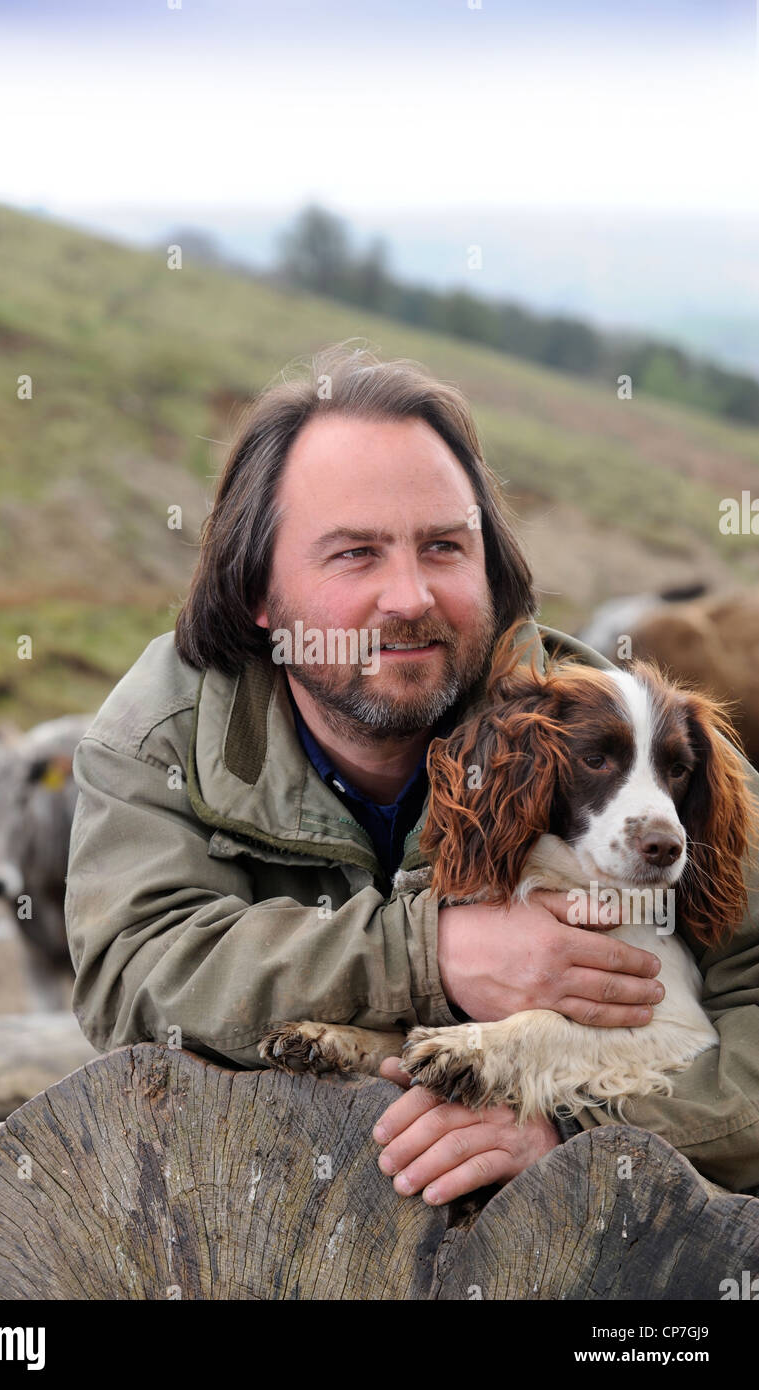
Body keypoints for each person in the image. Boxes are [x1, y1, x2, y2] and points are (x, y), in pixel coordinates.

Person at [64, 343, 759, 1205]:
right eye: (354, 553)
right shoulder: (160, 737)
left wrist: (571, 1134)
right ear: (257, 592)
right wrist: (429, 955)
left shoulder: (633, 736)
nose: (409, 598)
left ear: (492, 573)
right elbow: (132, 973)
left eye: (442, 547)